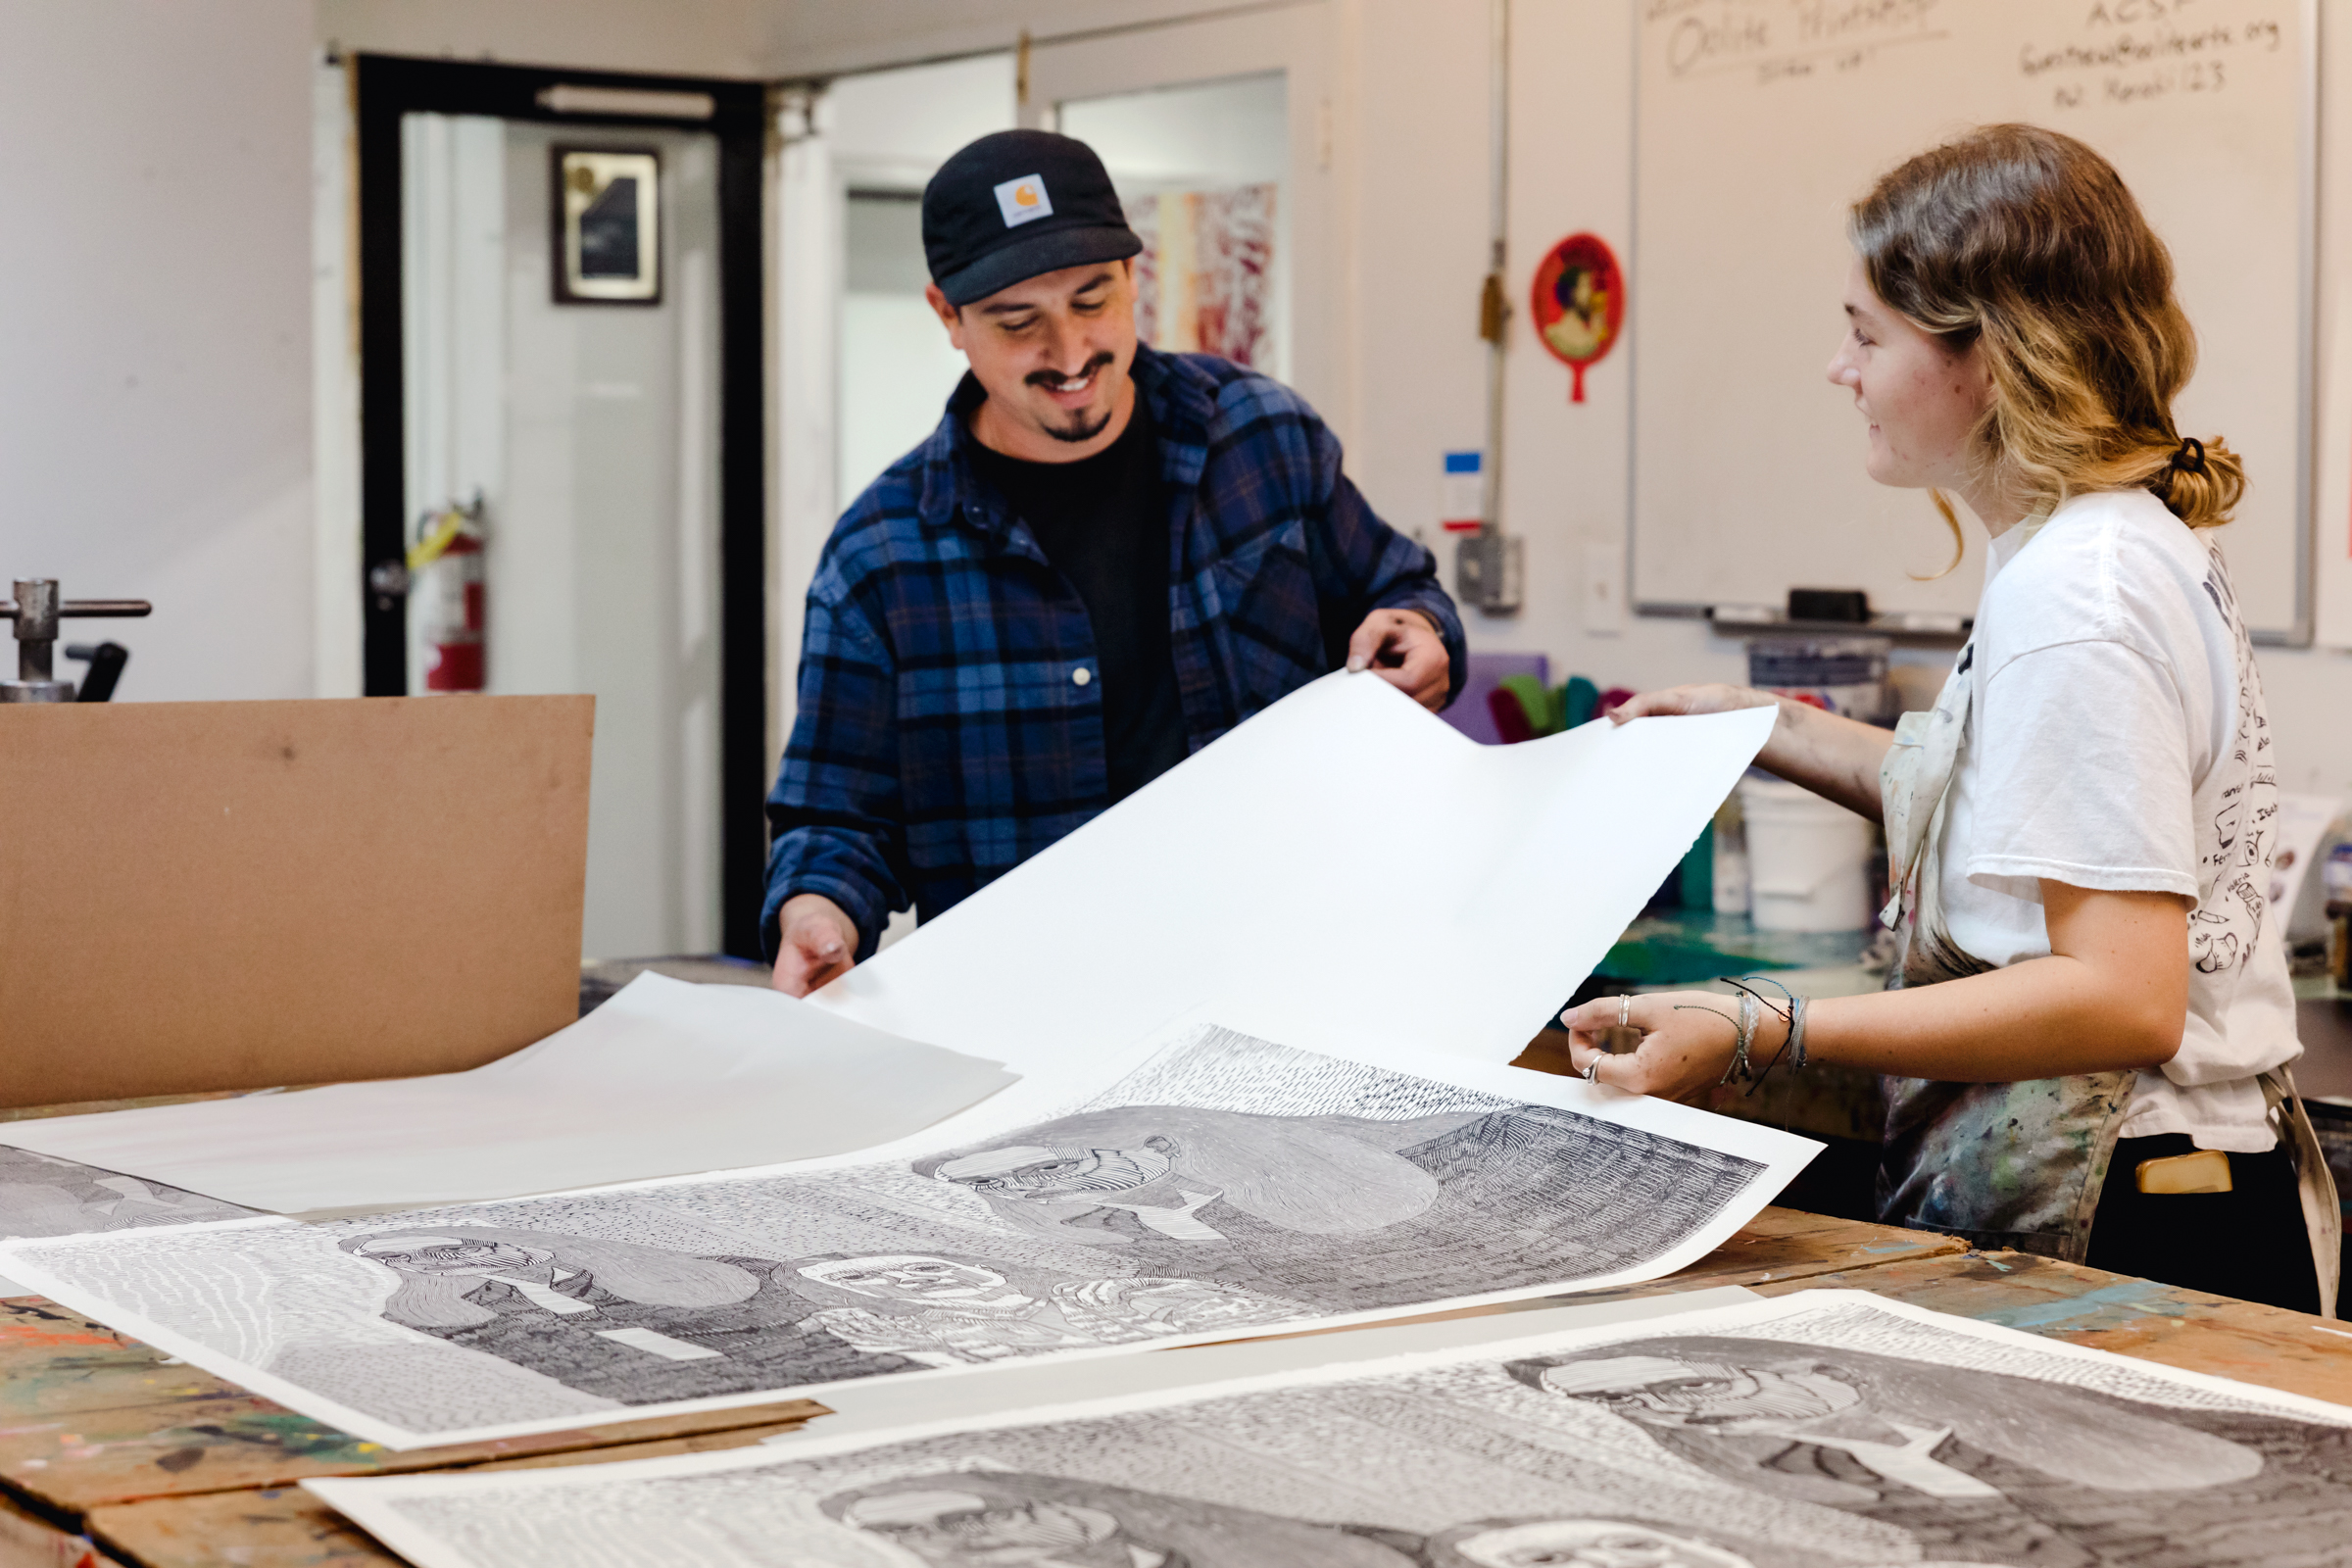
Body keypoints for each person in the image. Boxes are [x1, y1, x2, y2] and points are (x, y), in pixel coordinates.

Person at [1559, 124, 2337, 1314]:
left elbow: (2122, 995)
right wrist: (1759, 719)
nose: (1839, 368)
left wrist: (1762, 1024)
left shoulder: (2077, 595)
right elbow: (2012, 801)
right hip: (2162, 1187)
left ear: (1994, 354)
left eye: (1868, 334)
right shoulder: (2100, 545)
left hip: (2141, 1210)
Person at [766, 128, 1464, 995]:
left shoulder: (1262, 439)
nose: (1070, 353)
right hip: (1029, 1016)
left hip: (1294, 981)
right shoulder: (881, 555)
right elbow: (835, 815)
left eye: (1092, 300)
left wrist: (1423, 631)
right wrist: (817, 912)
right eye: (1019, 323)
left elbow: (1397, 591)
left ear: (1134, 276)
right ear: (948, 315)